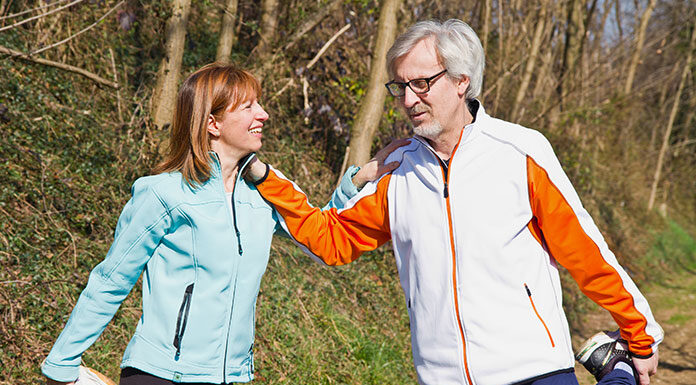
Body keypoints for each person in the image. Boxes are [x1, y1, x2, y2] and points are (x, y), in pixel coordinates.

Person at [244, 19, 663, 385]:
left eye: (422, 84)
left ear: (462, 81)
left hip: (534, 369)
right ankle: (615, 372)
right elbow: (329, 241)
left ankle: (620, 372)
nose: (409, 100)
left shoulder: (520, 151)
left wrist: (640, 335)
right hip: (441, 376)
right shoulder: (399, 174)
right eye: (400, 87)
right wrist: (264, 177)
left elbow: (586, 253)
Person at [41, 63, 403, 385]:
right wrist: (62, 362)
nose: (263, 114)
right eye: (248, 107)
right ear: (212, 123)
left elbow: (320, 235)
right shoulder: (165, 193)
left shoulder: (264, 188)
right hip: (162, 373)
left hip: (231, 375)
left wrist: (360, 179)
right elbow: (111, 280)